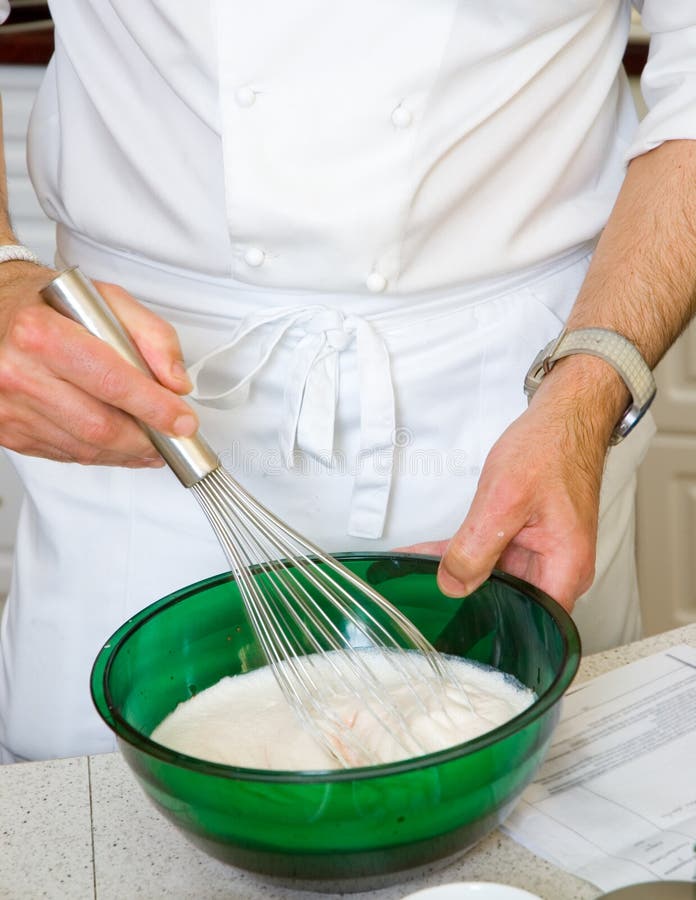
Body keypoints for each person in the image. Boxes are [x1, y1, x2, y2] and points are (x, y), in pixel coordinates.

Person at [0, 1, 694, 763]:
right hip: (134, 405)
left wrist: (584, 399)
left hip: (525, 412)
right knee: (95, 828)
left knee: (545, 823)